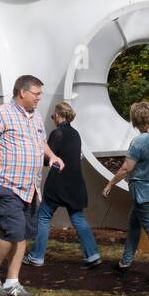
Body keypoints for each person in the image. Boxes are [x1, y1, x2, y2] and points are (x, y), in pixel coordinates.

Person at [0, 75, 64, 296]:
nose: (39, 98)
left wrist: (52, 156)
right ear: (22, 92)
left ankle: (12, 282)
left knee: (23, 235)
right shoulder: (1, 114)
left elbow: (40, 141)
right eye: (36, 94)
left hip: (30, 187)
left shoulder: (35, 118)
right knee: (12, 231)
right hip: (7, 185)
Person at [23, 101, 100, 270]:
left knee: (43, 217)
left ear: (58, 115)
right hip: (76, 184)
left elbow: (47, 159)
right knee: (78, 219)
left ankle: (36, 256)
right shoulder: (76, 134)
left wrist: (36, 150)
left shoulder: (57, 133)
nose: (52, 119)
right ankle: (92, 254)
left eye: (52, 116)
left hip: (58, 183)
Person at [102, 101, 149, 282]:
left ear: (134, 120)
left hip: (143, 193)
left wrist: (110, 183)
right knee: (134, 224)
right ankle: (124, 264)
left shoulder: (138, 142)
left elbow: (126, 168)